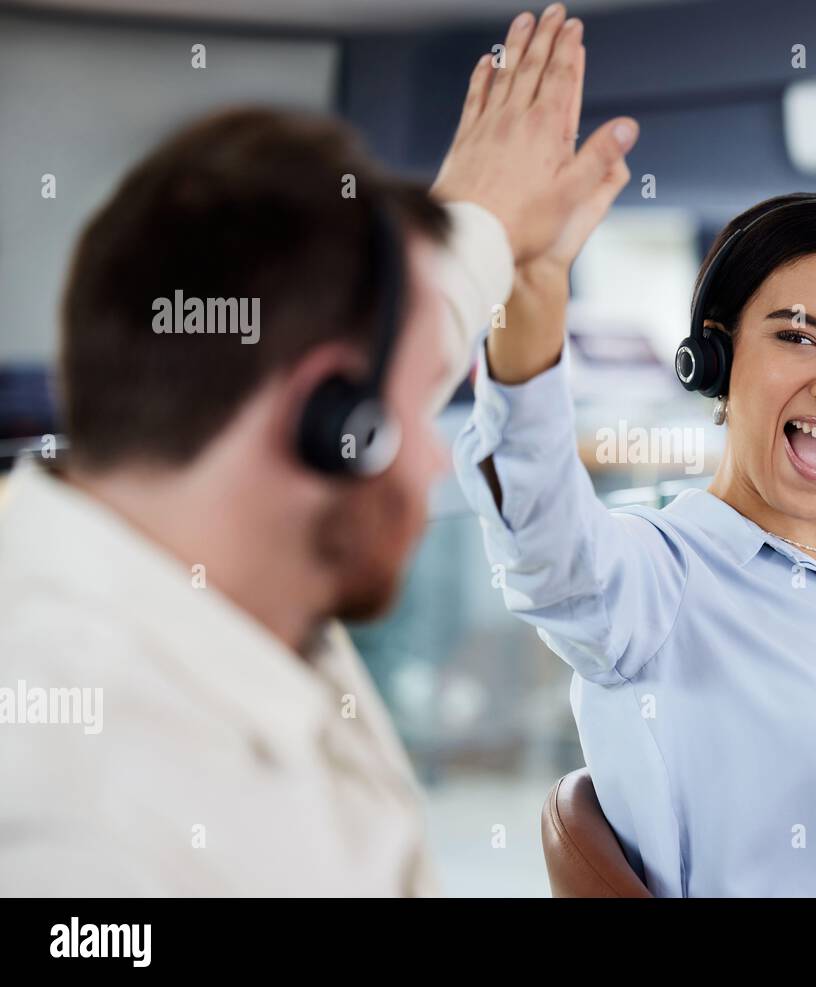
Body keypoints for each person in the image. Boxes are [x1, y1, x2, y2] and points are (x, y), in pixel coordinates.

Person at [0, 3, 638, 895]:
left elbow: (413, 329)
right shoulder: (89, 829)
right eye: (415, 412)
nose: (429, 462)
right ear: (331, 424)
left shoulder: (203, 558)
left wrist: (485, 228)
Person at [454, 191, 816, 896]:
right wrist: (531, 293)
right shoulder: (655, 580)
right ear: (714, 355)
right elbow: (544, 536)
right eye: (798, 336)